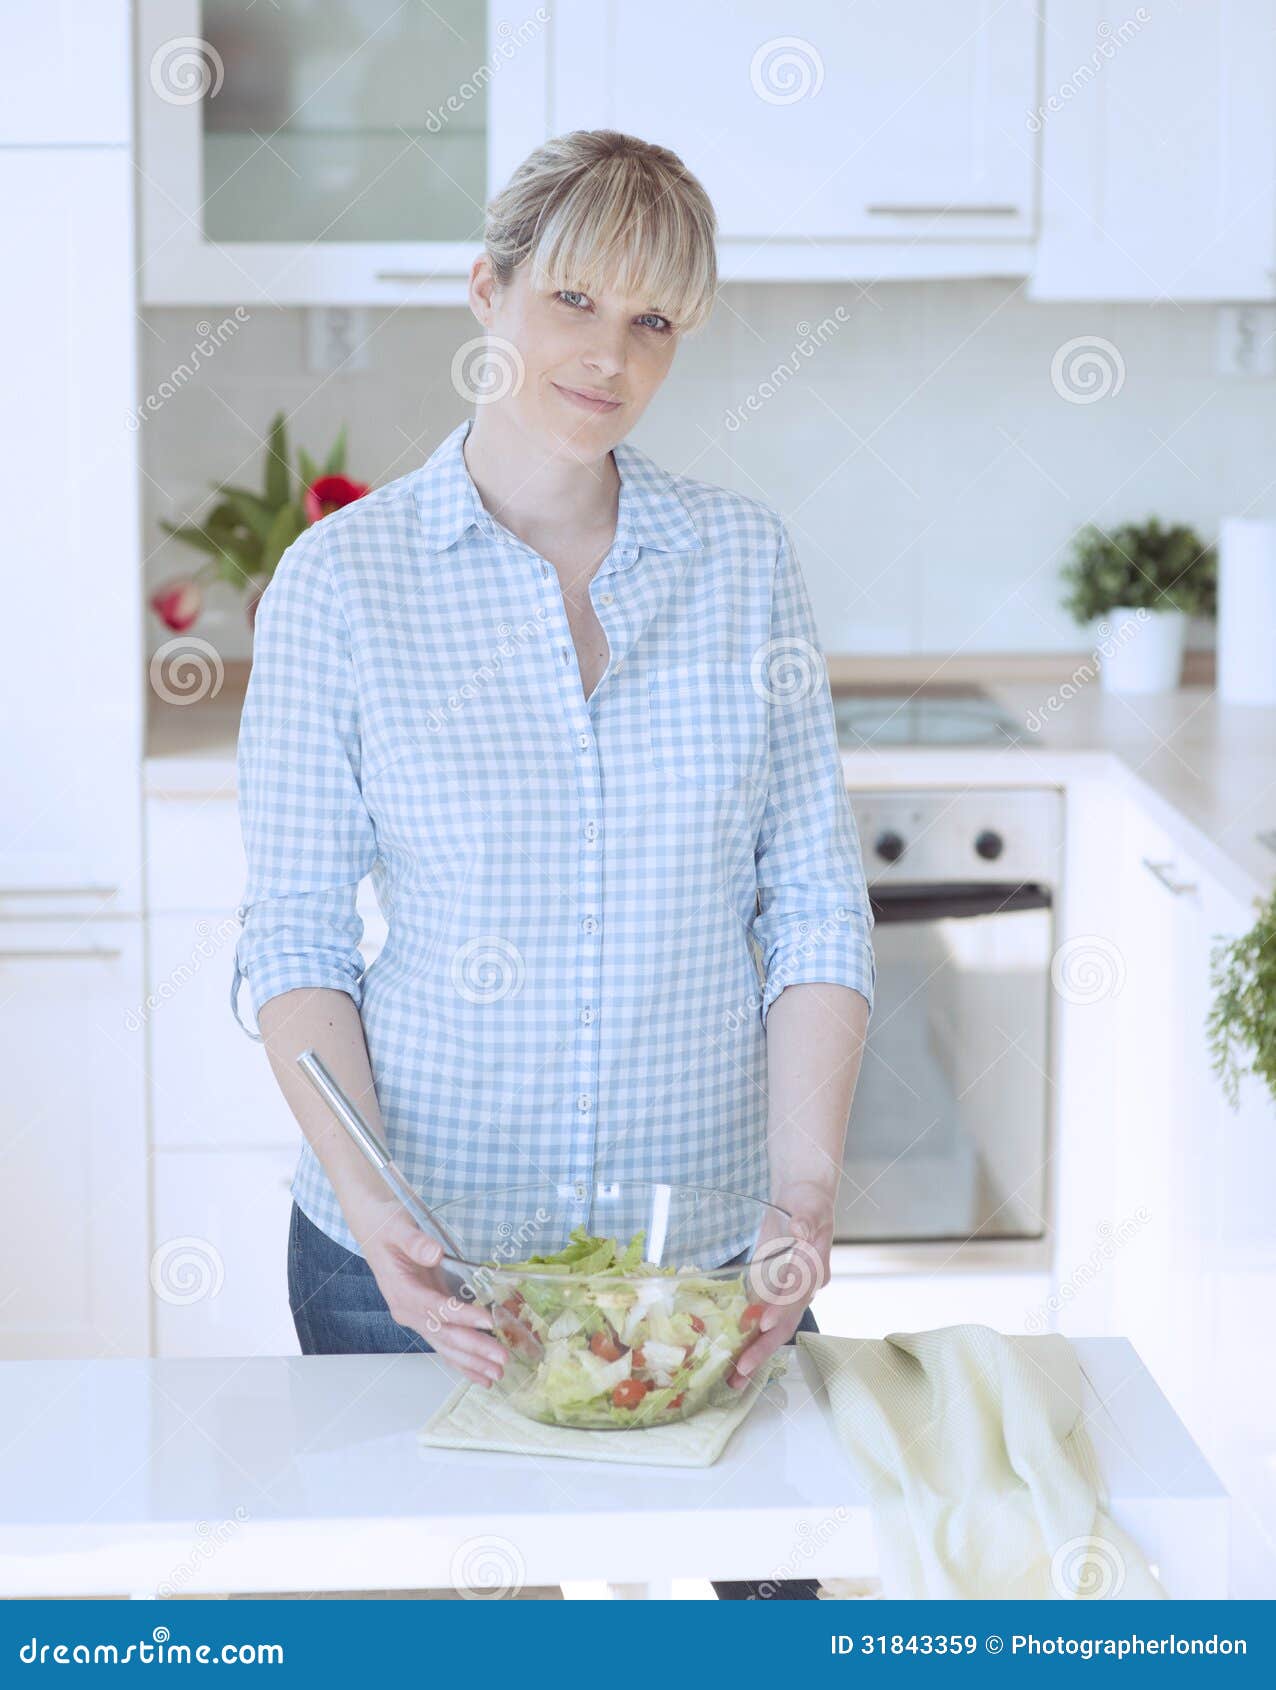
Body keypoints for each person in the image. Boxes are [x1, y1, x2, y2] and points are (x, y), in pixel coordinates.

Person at [231, 129, 875, 1592]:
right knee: (467, 1642)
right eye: (574, 299)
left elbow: (815, 904)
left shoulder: (743, 564)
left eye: (654, 320)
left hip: (708, 1258)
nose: (610, 355)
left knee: (779, 1619)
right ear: (489, 291)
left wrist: (804, 1189)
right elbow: (295, 941)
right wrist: (377, 1207)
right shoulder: (342, 584)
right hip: (420, 1264)